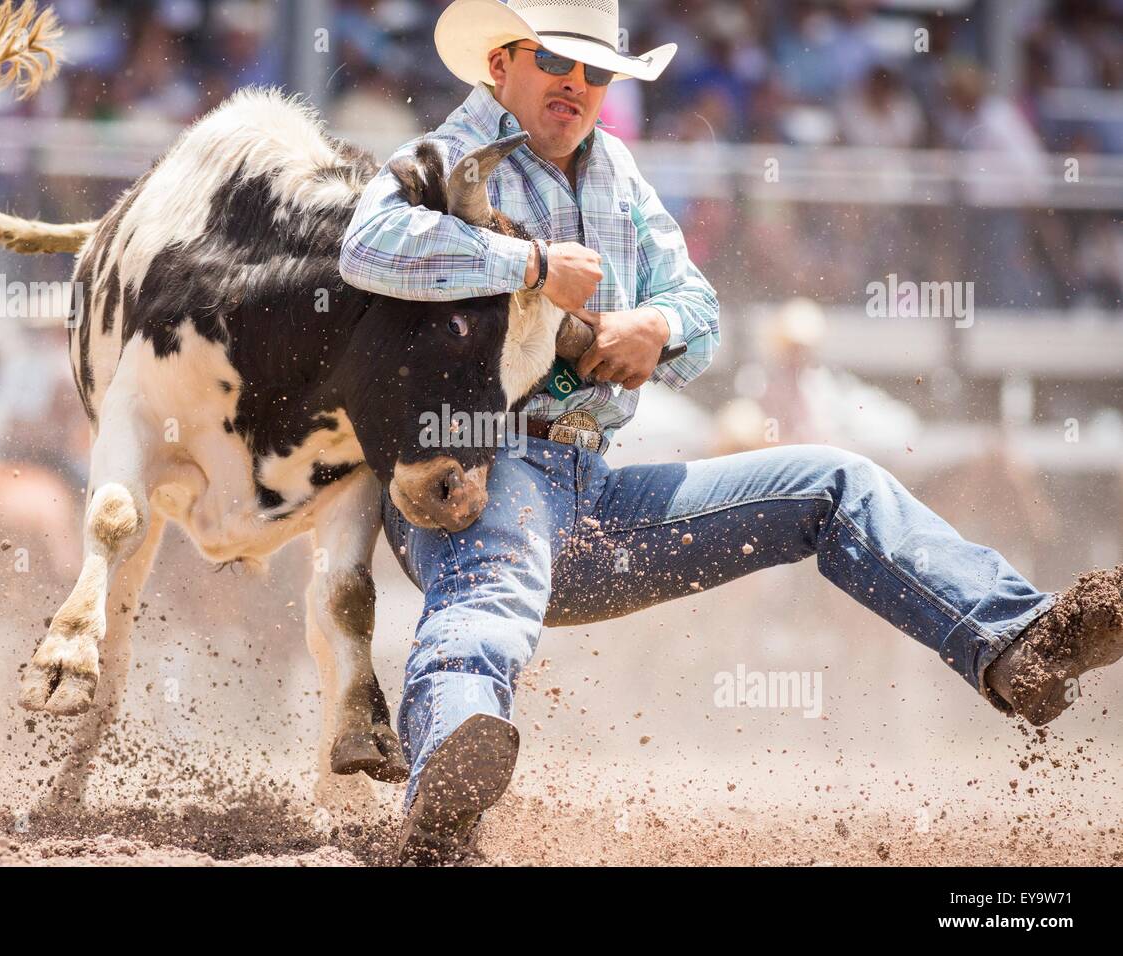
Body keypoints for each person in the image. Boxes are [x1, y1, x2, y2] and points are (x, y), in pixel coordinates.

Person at [338, 0, 1123, 865]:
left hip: (589, 487)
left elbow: (699, 311)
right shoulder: (448, 158)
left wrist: (656, 332)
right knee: (489, 589)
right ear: (502, 65)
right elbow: (365, 243)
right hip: (476, 459)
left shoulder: (618, 172)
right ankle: (446, 789)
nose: (579, 84)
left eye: (596, 71)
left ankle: (1018, 642)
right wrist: (527, 266)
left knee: (834, 482)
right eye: (557, 62)